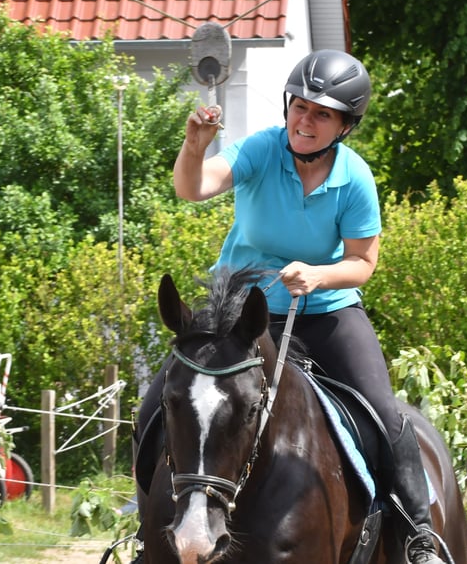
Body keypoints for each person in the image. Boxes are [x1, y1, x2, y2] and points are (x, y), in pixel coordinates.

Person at [138, 49, 443, 564]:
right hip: (240, 316)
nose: (306, 120)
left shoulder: (356, 179)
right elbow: (193, 188)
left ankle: (416, 533)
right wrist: (193, 146)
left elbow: (363, 262)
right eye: (300, 106)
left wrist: (319, 274)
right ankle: (146, 528)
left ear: (345, 125)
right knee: (164, 399)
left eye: (322, 114)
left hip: (327, 310)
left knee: (384, 414)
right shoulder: (261, 150)